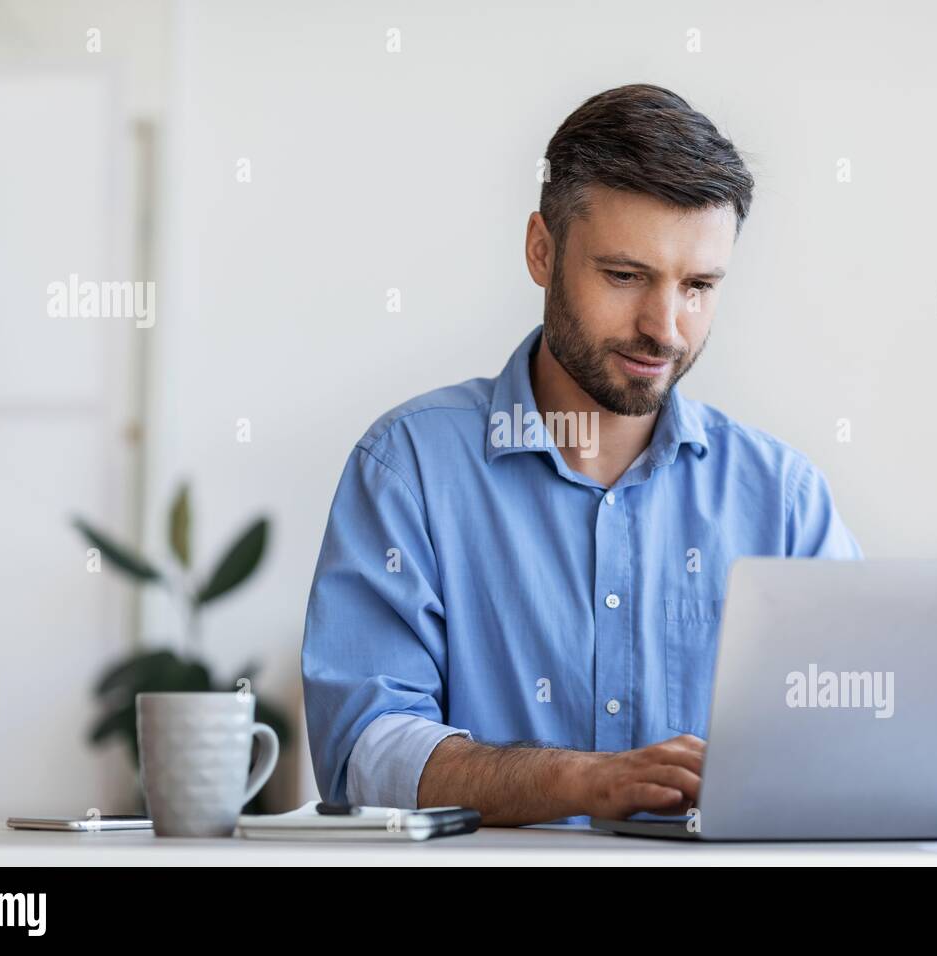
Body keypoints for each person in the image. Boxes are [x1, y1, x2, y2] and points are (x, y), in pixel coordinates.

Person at [302, 83, 863, 827]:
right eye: (626, 276)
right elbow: (364, 756)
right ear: (543, 250)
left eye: (697, 286)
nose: (664, 328)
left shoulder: (784, 498)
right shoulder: (408, 469)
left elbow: (861, 734)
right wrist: (581, 782)